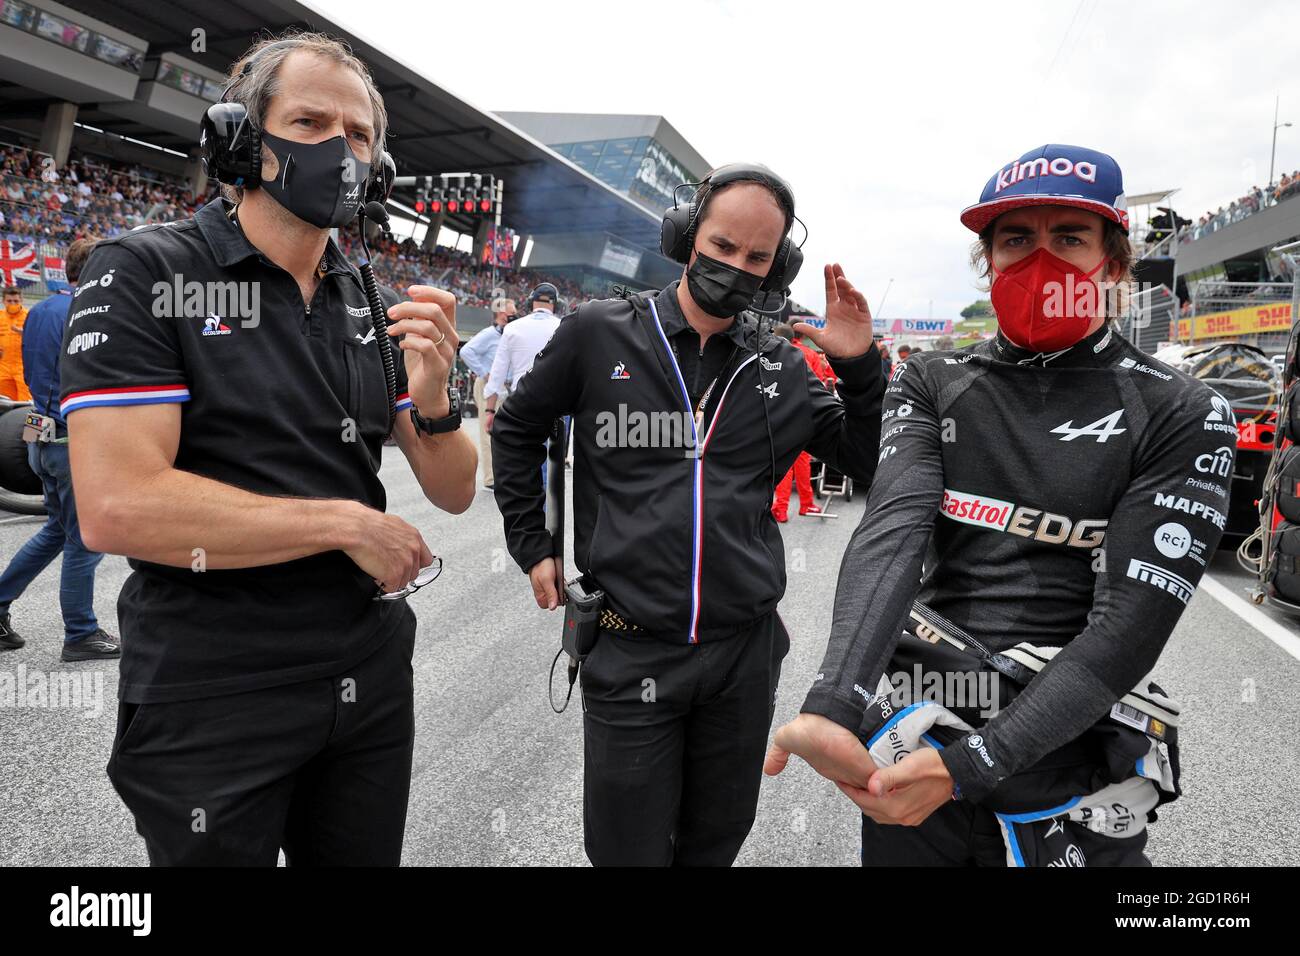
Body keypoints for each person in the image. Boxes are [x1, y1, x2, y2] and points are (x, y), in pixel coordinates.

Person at [60, 32, 476, 867]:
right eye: (311, 123)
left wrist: (434, 401)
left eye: (358, 136)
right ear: (241, 141)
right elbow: (117, 506)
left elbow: (456, 489)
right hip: (214, 684)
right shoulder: (145, 271)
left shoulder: (372, 297)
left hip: (365, 675)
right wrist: (344, 525)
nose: (340, 150)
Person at [765, 144, 1232, 867]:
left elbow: (1130, 624)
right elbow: (891, 533)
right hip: (916, 742)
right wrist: (832, 706)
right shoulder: (933, 378)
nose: (1040, 261)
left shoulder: (1183, 408)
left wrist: (971, 766)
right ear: (987, 260)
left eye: (1069, 238)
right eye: (1016, 239)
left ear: (1113, 262)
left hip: (1066, 767)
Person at [492, 163, 884, 866]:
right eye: (723, 246)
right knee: (626, 851)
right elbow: (517, 428)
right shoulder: (598, 332)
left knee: (715, 843)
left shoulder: (782, 365)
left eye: (757, 257)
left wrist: (860, 371)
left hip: (743, 657)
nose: (736, 266)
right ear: (686, 236)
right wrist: (532, 542)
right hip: (629, 647)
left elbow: (864, 459)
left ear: (776, 269)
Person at [0, 238, 117, 659]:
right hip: (70, 441)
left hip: (38, 434)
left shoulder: (39, 309)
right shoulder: (88, 310)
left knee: (56, 529)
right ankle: (81, 633)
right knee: (85, 539)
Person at [481, 283, 560, 435]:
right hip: (555, 405)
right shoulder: (563, 327)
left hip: (521, 401)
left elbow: (497, 373)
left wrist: (490, 410)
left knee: (522, 448)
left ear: (530, 302)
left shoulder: (512, 328)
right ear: (556, 304)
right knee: (553, 449)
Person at [770, 324, 828, 521]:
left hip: (779, 414)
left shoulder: (772, 351)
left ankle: (780, 508)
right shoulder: (809, 354)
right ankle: (806, 504)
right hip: (804, 414)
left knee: (784, 461)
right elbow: (819, 385)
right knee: (802, 460)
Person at [459, 297, 516, 488]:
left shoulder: (509, 334)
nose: (515, 315)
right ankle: (491, 478)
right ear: (501, 314)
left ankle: (504, 473)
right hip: (488, 385)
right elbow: (466, 351)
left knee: (505, 430)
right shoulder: (489, 334)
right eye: (512, 312)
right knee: (489, 431)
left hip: (505, 387)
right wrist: (485, 372)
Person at [0, 285, 30, 401]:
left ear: (21, 300)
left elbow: (40, 338)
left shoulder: (29, 316)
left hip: (23, 368)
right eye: (9, 301)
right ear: (3, 301)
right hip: (3, 367)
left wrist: (26, 333)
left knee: (25, 403)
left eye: (16, 301)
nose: (13, 304)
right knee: (5, 402)